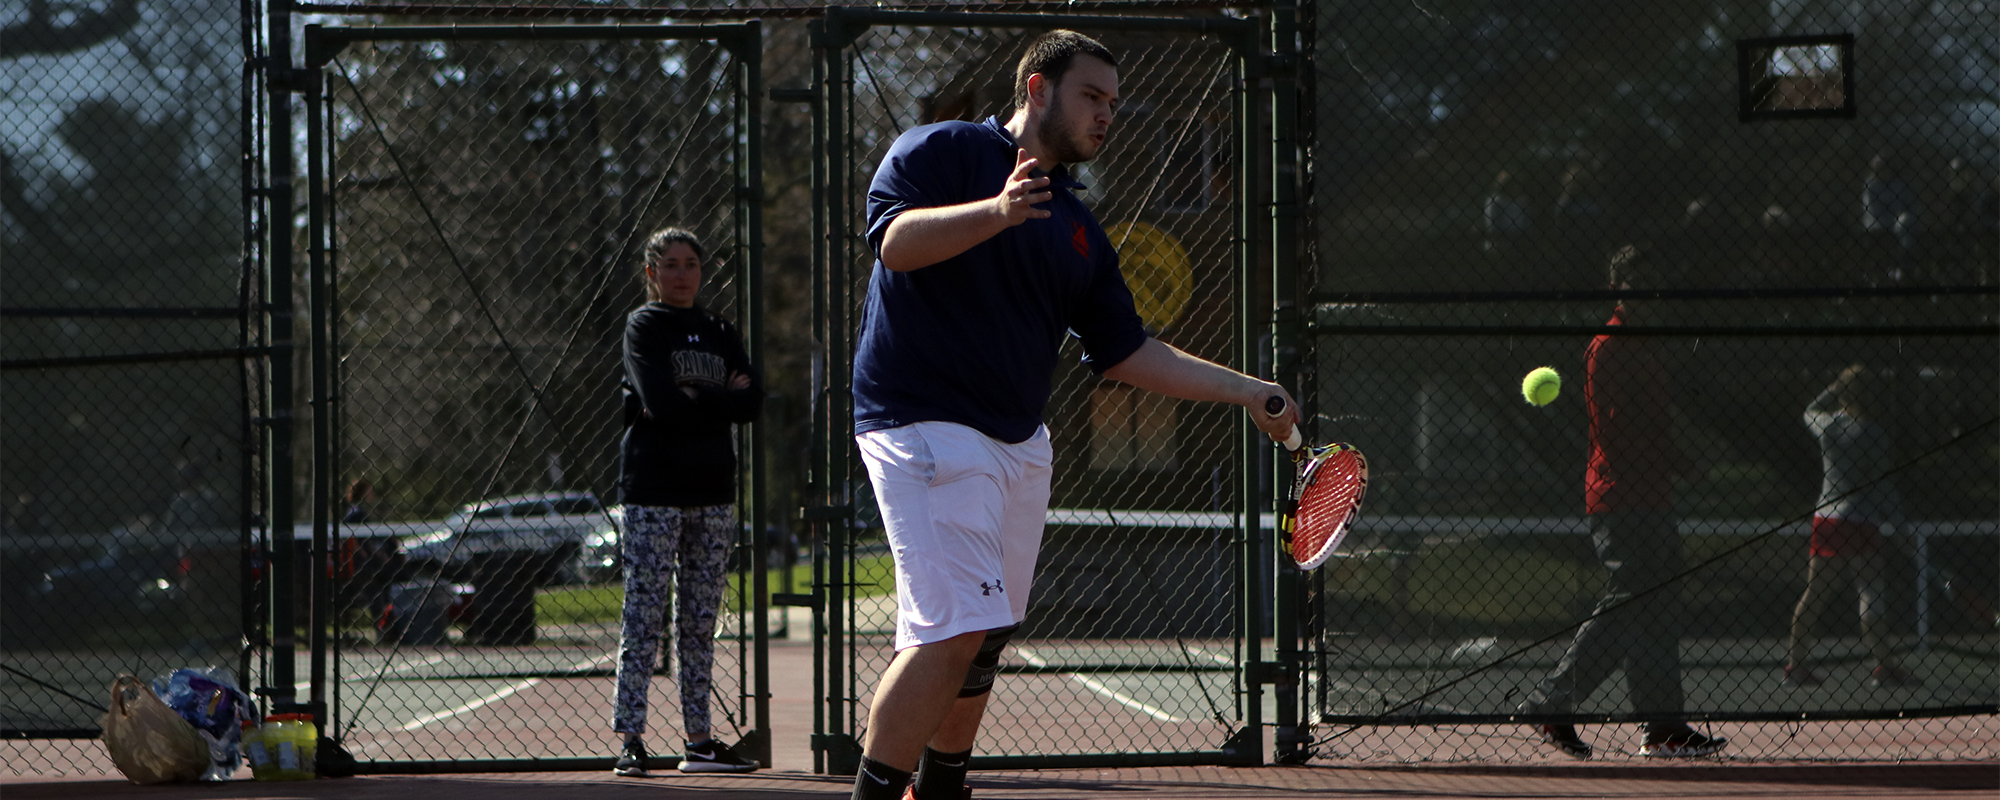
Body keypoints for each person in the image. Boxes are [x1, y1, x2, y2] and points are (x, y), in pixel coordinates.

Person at [846, 30, 1298, 800]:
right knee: (953, 630)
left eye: (1113, 103)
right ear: (1036, 89)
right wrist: (995, 210)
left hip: (1019, 442)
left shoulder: (1080, 227)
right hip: (921, 422)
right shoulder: (941, 150)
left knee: (984, 637)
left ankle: (942, 787)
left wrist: (1250, 390)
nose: (1106, 116)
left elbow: (1127, 352)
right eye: (1092, 96)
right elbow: (893, 245)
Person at [1520, 245, 1726, 761]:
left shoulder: (1643, 345)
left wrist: (1677, 464)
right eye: (1637, 284)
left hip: (1651, 496)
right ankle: (1552, 702)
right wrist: (1678, 462)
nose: (1649, 293)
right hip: (1620, 497)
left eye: (1654, 284)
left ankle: (1663, 727)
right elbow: (1618, 433)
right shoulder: (1608, 346)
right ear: (1617, 288)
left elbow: (1648, 426)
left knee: (1654, 607)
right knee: (1631, 598)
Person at [611, 226, 763, 777]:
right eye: (670, 264)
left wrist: (702, 396)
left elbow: (754, 402)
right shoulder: (644, 327)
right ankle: (631, 739)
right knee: (644, 619)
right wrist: (722, 397)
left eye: (691, 263)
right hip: (653, 492)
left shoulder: (719, 329)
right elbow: (661, 403)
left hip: (713, 493)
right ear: (651, 273)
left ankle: (699, 742)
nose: (682, 273)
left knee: (698, 623)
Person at [1785, 364, 1916, 688]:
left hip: (1828, 520)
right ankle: (1884, 666)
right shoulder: (1874, 435)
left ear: (1842, 393)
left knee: (1814, 594)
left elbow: (1809, 411)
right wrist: (1900, 527)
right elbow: (1884, 486)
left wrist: (1834, 388)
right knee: (1870, 592)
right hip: (1863, 521)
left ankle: (1796, 666)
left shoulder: (1827, 425)